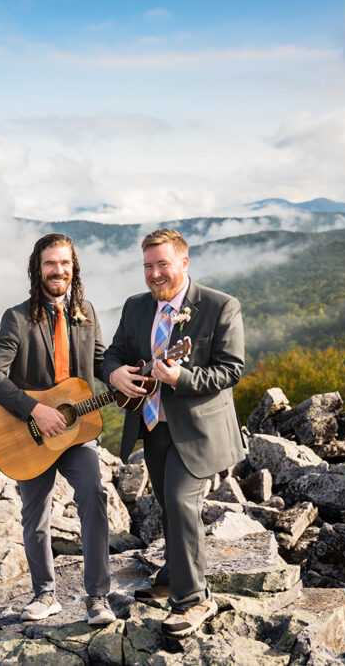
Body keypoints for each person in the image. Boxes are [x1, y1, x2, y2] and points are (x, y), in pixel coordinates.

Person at [104, 228, 245, 638]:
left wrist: (181, 376)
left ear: (184, 262)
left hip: (198, 431)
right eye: (148, 266)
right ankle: (172, 572)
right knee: (167, 505)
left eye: (162, 264)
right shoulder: (134, 307)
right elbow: (114, 353)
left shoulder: (221, 306)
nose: (154, 273)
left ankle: (193, 600)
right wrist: (114, 372)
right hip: (152, 426)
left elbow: (231, 369)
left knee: (182, 504)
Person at [0, 233, 115, 626]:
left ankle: (98, 598)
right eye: (50, 264)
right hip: (29, 434)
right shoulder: (17, 318)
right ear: (37, 269)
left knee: (93, 495)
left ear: (74, 269)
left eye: (65, 264)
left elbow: (101, 360)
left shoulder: (86, 311)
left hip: (78, 432)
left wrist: (124, 375)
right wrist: (35, 410)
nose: (59, 271)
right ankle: (45, 594)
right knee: (34, 515)